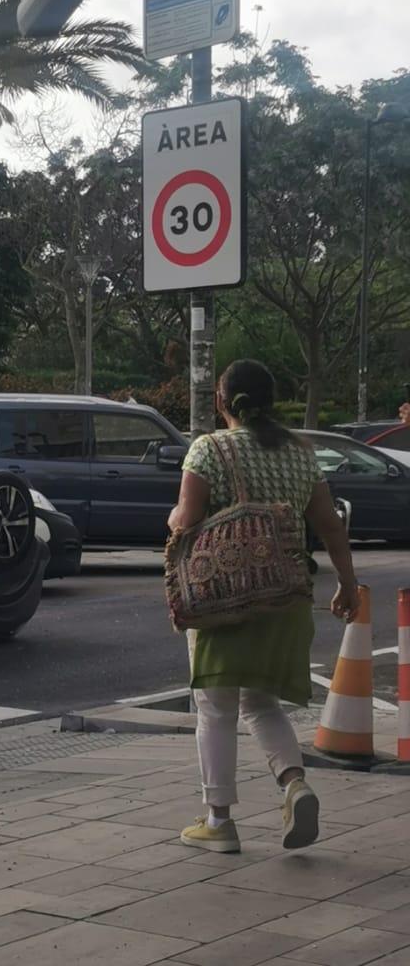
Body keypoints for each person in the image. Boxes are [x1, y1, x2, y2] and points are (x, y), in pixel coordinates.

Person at [168, 358, 360, 855]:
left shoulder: (207, 450)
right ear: (271, 401)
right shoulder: (301, 453)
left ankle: (219, 820)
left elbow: (186, 520)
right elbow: (330, 524)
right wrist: (347, 584)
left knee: (214, 706)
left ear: (221, 400)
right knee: (260, 701)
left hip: (225, 599)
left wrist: (172, 519)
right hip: (286, 595)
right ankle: (295, 784)